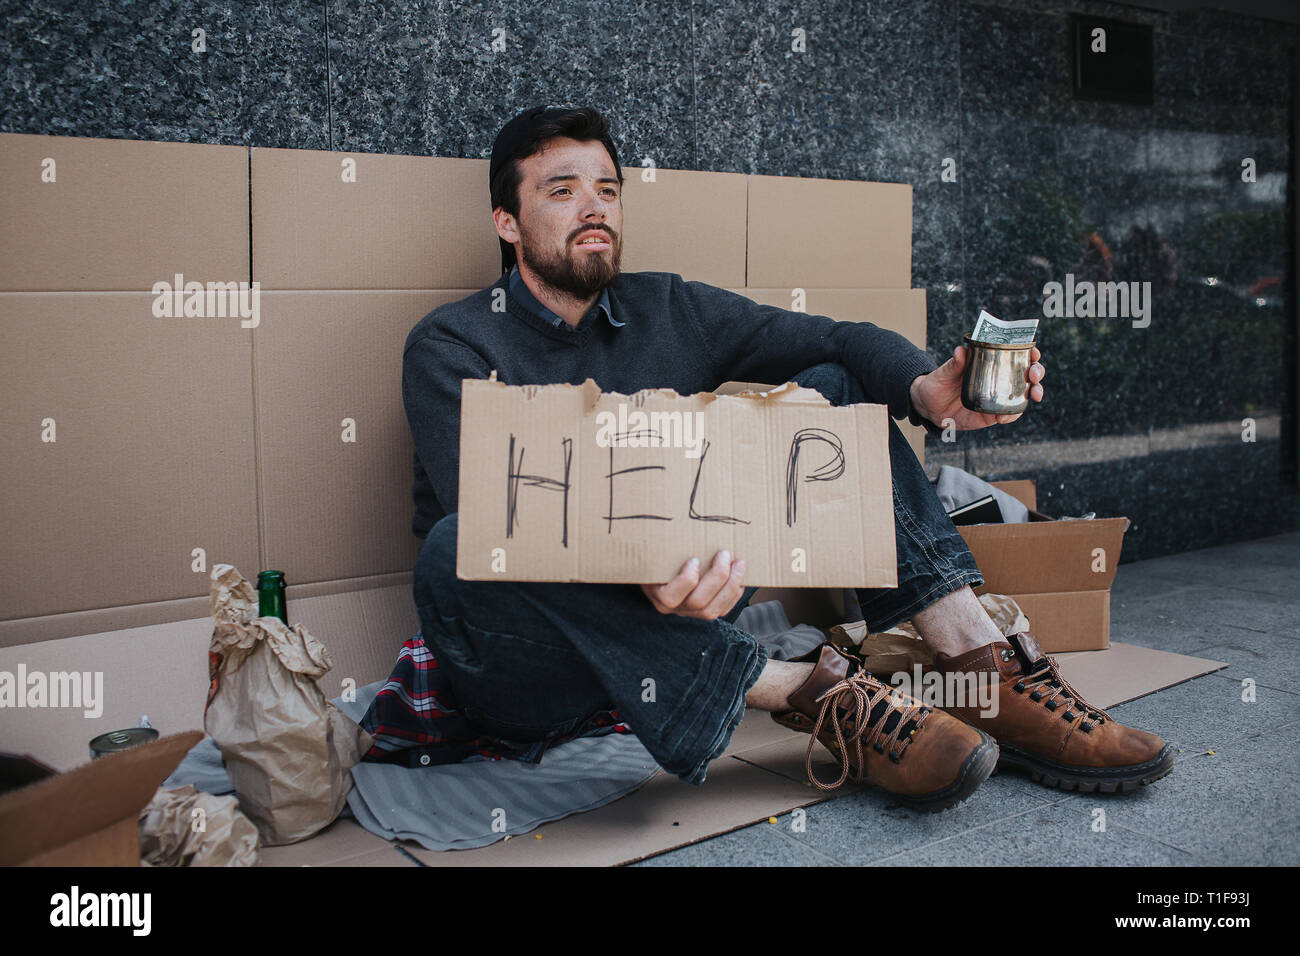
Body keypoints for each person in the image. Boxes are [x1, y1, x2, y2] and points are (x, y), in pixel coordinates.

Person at [402, 105, 1173, 811]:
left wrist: (926, 390)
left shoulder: (666, 306)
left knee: (832, 388)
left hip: (700, 593)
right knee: (453, 549)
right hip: (543, 661)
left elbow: (835, 340)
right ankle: (814, 693)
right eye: (562, 190)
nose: (595, 205)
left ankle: (977, 662)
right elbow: (501, 524)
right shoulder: (454, 343)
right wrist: (639, 565)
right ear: (508, 220)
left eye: (607, 188)